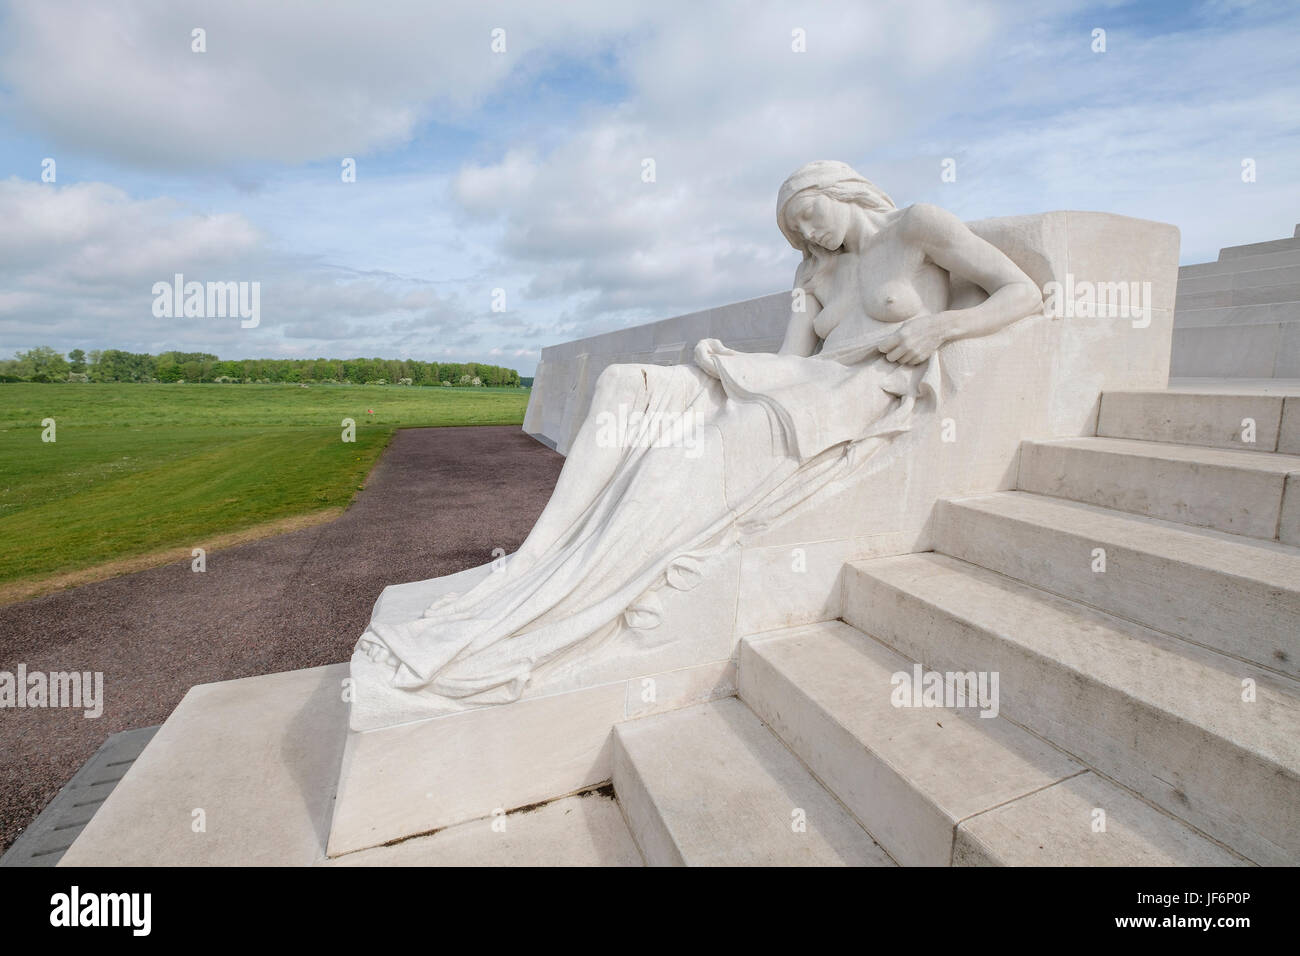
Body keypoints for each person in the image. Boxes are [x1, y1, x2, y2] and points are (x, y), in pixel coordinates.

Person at [354, 160, 1041, 706]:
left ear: (838, 189)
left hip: (859, 391)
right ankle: (541, 557)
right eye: (794, 231)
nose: (806, 235)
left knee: (683, 454)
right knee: (627, 385)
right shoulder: (815, 274)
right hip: (806, 383)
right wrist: (730, 363)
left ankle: (587, 590)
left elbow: (1023, 292)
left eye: (807, 215)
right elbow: (792, 358)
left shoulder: (918, 225)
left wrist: (941, 327)